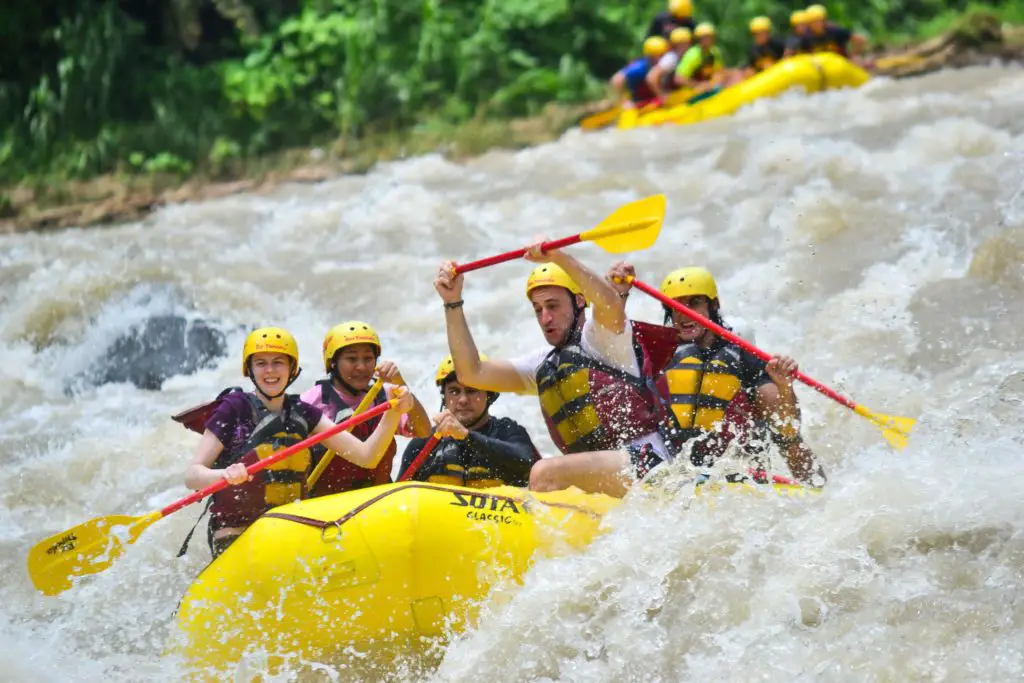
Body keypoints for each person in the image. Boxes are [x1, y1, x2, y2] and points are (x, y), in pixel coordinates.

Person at [433, 243, 677, 498]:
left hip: (649, 465)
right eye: (538, 310)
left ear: (579, 301)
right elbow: (472, 374)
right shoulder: (543, 364)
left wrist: (559, 257)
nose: (545, 318)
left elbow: (609, 304)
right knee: (535, 479)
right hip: (604, 481)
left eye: (553, 306)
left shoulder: (604, 339)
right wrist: (452, 303)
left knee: (543, 473)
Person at [182, 327, 413, 557]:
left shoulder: (304, 413)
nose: (270, 371)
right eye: (261, 363)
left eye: (278, 362)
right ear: (249, 369)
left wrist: (393, 411)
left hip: (290, 532)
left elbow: (367, 457)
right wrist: (223, 475)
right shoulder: (233, 409)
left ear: (292, 368)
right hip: (238, 534)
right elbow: (192, 476)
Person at [612, 265, 827, 488]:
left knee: (789, 439)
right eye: (676, 306)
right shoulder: (656, 353)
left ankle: (818, 489)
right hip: (677, 473)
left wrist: (784, 387)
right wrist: (619, 294)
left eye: (694, 302)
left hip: (733, 475)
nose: (683, 313)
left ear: (714, 305)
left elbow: (787, 427)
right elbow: (612, 336)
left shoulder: (745, 359)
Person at [300, 321, 430, 497]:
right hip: (326, 503)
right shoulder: (311, 401)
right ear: (333, 363)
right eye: (351, 359)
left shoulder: (388, 395)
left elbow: (423, 431)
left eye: (368, 359)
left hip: (375, 501)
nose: (361, 367)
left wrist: (401, 384)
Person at [398, 354, 540, 487]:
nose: (463, 400)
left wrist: (467, 436)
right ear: (444, 397)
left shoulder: (508, 431)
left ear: (490, 395)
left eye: (472, 391)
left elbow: (526, 462)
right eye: (454, 391)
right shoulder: (424, 442)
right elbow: (397, 497)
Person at [611, 37, 670, 108]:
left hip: (651, 99)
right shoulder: (640, 66)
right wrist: (624, 102)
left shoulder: (657, 64)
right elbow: (616, 80)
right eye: (661, 54)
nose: (664, 56)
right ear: (652, 54)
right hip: (639, 102)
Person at [674, 23, 730, 95]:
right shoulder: (693, 55)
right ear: (699, 40)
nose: (708, 40)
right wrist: (698, 85)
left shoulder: (715, 52)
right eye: (704, 38)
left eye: (710, 37)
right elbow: (679, 79)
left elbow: (719, 71)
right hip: (690, 92)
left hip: (707, 87)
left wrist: (717, 81)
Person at [800, 4, 866, 58]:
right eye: (813, 22)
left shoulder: (834, 31)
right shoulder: (806, 37)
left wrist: (853, 55)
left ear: (824, 20)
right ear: (809, 23)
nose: (817, 24)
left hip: (840, 65)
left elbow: (860, 39)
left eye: (819, 20)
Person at [646, 27, 692, 102]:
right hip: (666, 95)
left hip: (675, 92)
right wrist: (662, 95)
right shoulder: (671, 58)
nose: (686, 47)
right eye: (682, 44)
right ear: (675, 45)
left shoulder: (683, 57)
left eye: (687, 43)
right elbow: (651, 78)